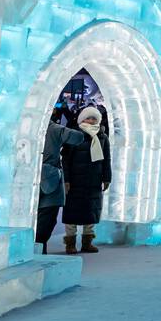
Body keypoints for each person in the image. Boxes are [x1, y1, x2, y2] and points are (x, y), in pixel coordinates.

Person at [61, 105, 112, 254]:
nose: (91, 121)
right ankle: (70, 243)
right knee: (72, 212)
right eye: (88, 118)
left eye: (94, 118)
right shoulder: (74, 135)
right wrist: (66, 179)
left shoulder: (102, 137)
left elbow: (106, 159)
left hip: (93, 181)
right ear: (82, 119)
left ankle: (87, 242)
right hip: (75, 181)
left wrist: (106, 177)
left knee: (91, 211)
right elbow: (66, 159)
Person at [36, 107, 86, 253]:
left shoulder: (21, 128)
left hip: (24, 179)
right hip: (49, 179)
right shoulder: (54, 129)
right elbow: (78, 137)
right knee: (45, 221)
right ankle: (40, 253)